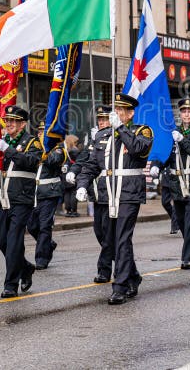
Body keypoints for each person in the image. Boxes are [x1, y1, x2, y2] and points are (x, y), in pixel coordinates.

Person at [76, 93, 153, 305]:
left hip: (128, 194)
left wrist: (120, 128)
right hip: (107, 194)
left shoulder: (141, 131)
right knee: (109, 240)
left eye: (121, 110)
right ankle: (133, 276)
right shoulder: (102, 136)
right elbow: (92, 165)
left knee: (122, 239)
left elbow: (138, 149)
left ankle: (119, 287)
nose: (116, 114)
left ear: (130, 113)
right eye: (115, 110)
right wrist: (82, 185)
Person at [151, 98, 190, 270]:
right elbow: (164, 154)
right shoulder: (173, 133)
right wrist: (156, 166)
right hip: (176, 184)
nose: (186, 114)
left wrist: (183, 140)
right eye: (184, 111)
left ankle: (186, 258)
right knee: (182, 221)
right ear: (181, 114)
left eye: (189, 111)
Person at [0, 105, 42, 298]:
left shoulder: (32, 142)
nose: (9, 124)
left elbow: (30, 162)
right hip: (2, 198)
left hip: (21, 199)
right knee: (1, 239)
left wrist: (9, 150)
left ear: (22, 124)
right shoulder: (1, 141)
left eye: (13, 121)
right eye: (7, 121)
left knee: (13, 241)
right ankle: (25, 267)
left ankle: (10, 284)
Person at [67, 105, 114, 283]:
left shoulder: (115, 138)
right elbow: (84, 160)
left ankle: (104, 270)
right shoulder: (95, 139)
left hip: (111, 191)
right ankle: (125, 265)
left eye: (105, 119)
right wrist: (73, 171)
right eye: (99, 119)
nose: (101, 122)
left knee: (108, 234)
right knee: (99, 232)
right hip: (96, 193)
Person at [27, 120, 66, 270]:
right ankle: (48, 244)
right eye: (39, 132)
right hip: (33, 193)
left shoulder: (58, 148)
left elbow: (53, 161)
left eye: (44, 132)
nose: (41, 134)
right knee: (31, 226)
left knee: (44, 226)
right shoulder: (33, 147)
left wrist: (44, 148)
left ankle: (42, 258)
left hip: (49, 192)